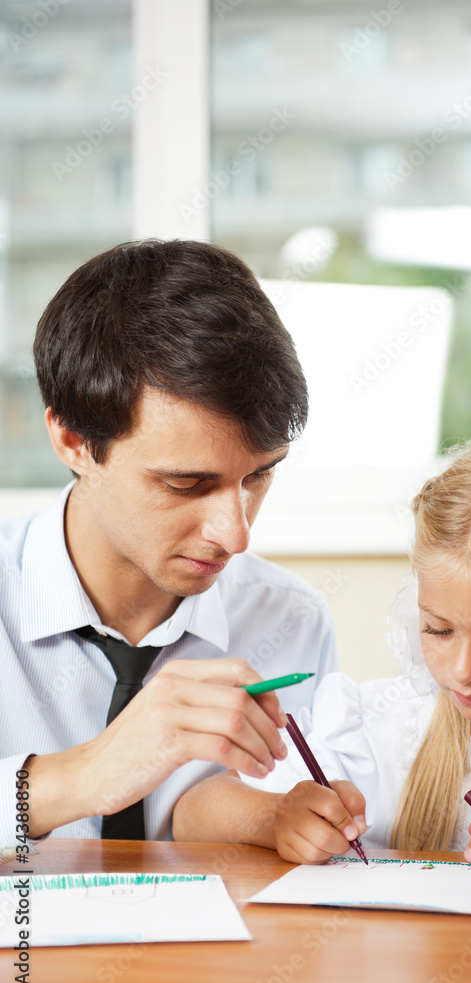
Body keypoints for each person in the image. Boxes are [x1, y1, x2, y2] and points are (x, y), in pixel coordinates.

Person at [173, 435, 471, 863]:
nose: (463, 671)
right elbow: (194, 814)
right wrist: (276, 817)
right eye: (438, 630)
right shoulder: (376, 724)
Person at [0, 239, 338, 849]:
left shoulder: (291, 618)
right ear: (74, 441)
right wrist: (84, 776)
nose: (236, 534)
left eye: (259, 475)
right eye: (187, 483)